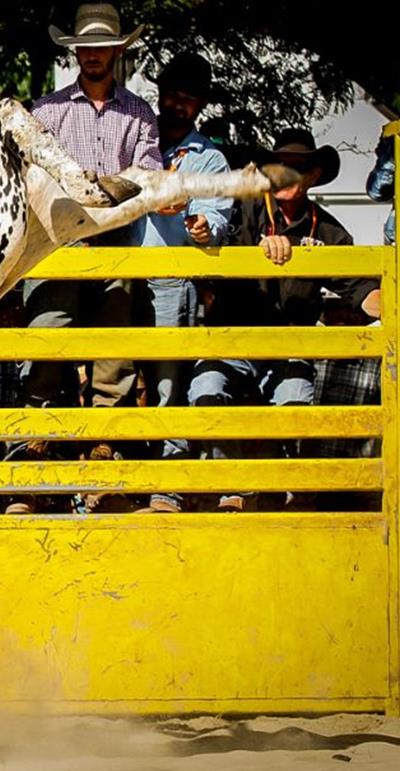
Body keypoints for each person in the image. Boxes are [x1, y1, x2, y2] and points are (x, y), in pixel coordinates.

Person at [10, 2, 162, 513]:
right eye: (85, 48)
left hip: (117, 246)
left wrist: (106, 197)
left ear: (117, 51)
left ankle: (104, 468)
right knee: (48, 346)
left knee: (113, 362)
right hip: (56, 246)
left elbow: (148, 177)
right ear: (76, 53)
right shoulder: (46, 111)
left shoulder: (138, 113)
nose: (93, 55)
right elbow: (26, 179)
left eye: (102, 47)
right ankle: (34, 475)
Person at [187, 129, 380, 512]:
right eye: (280, 166)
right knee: (205, 388)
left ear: (313, 176)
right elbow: (208, 243)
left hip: (290, 351)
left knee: (295, 400)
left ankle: (279, 488)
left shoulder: (329, 232)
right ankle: (233, 490)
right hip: (232, 343)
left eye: (299, 167)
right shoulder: (240, 211)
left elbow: (366, 292)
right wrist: (240, 247)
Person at [135, 52, 232, 514]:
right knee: (108, 381)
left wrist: (200, 227)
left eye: (188, 98)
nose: (177, 104)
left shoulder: (208, 158)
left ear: (199, 105)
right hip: (114, 275)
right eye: (172, 93)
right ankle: (107, 479)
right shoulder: (138, 140)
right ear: (161, 93)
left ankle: (167, 485)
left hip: (171, 277)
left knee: (168, 385)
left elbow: (216, 218)